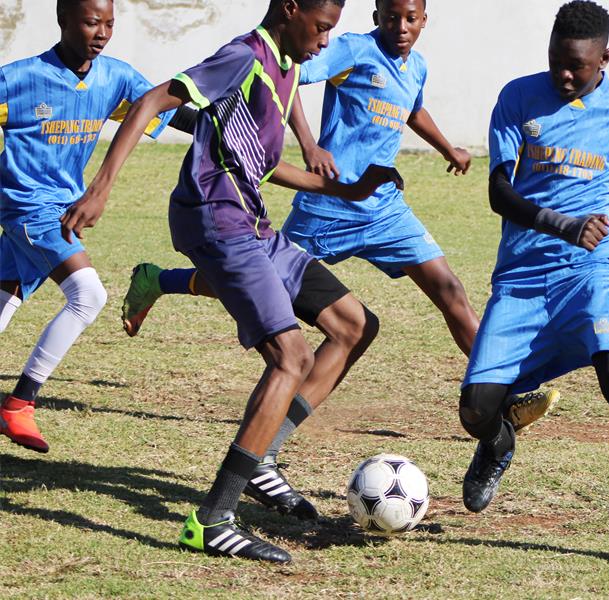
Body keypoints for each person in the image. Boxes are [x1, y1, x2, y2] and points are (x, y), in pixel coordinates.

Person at [117, 0, 560, 518]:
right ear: (375, 16)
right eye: (391, 17)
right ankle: (163, 284)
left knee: (440, 294)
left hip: (380, 207)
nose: (401, 27)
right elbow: (293, 75)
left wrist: (445, 149)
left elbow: (411, 106)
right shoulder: (335, 50)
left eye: (411, 18)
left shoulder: (414, 65)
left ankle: (503, 391)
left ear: (424, 19)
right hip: (324, 208)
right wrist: (309, 144)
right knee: (256, 297)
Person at [65, 0, 409, 562]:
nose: (325, 42)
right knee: (290, 357)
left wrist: (344, 192)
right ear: (291, 10)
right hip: (215, 219)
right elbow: (153, 99)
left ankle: (263, 459)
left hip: (253, 222)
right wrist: (101, 186)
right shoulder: (242, 57)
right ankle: (212, 519)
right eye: (321, 28)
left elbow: (263, 165)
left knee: (353, 325)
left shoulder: (287, 65)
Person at [458, 0, 609, 567]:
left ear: (604, 58)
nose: (564, 74)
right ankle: (499, 440)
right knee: (475, 409)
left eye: (578, 66)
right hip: (521, 276)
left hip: (592, 272)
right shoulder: (518, 96)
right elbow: (499, 192)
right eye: (556, 60)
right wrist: (562, 225)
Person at [0, 0, 195, 454]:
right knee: (88, 295)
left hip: (59, 208)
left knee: (5, 294)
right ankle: (19, 404)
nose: (102, 32)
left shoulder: (116, 78)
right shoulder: (19, 79)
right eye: (92, 21)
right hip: (28, 209)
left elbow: (163, 109)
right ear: (64, 18)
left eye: (109, 22)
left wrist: (221, 126)